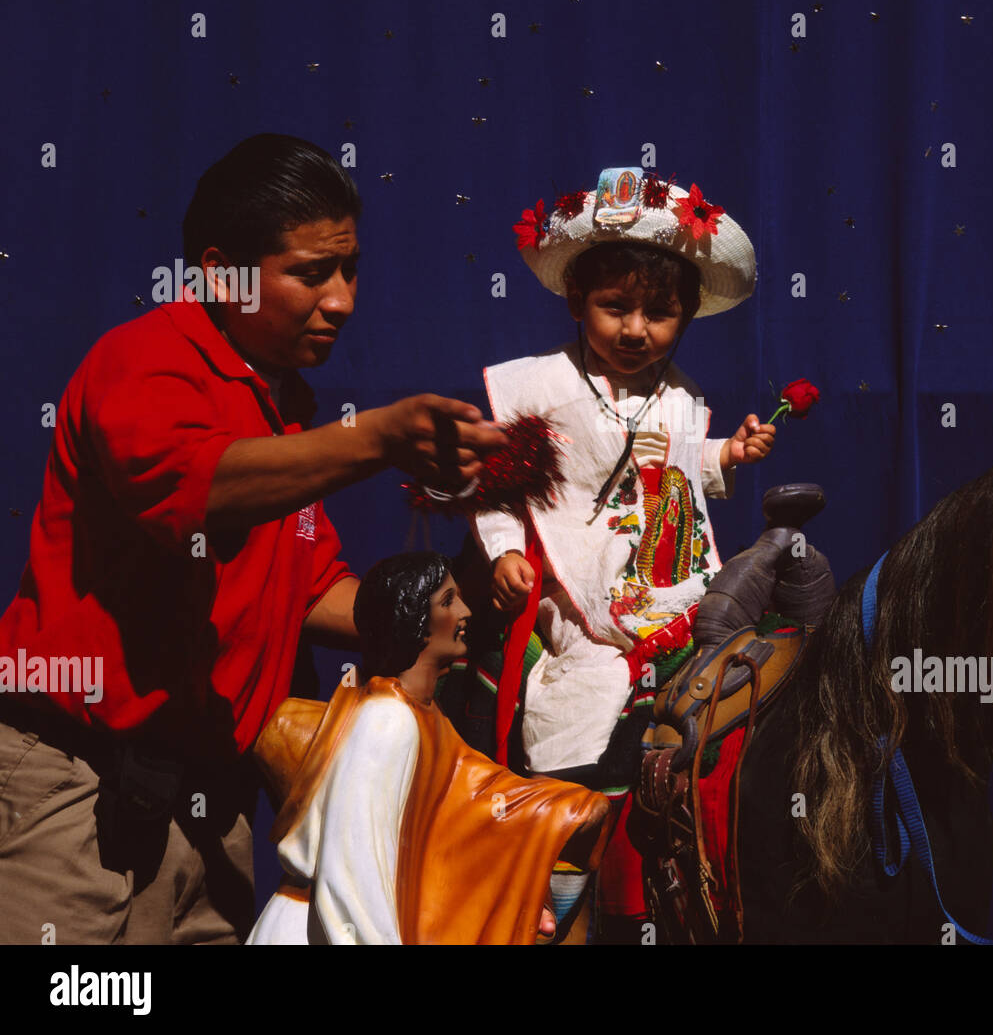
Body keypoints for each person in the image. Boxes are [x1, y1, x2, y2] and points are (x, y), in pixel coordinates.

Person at [0, 133, 506, 944]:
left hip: (211, 819)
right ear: (219, 270)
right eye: (311, 272)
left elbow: (318, 595)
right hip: (73, 793)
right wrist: (376, 438)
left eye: (349, 270)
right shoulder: (144, 360)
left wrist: (474, 585)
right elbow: (191, 491)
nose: (341, 299)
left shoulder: (280, 412)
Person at [466, 166, 772, 932]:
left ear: (688, 313)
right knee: (587, 703)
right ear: (577, 300)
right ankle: (563, 885)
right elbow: (498, 485)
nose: (636, 329)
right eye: (615, 307)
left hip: (669, 590)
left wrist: (722, 457)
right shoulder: (539, 387)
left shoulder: (678, 395)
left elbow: (673, 469)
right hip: (582, 597)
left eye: (660, 313)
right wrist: (505, 550)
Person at [247, 552, 610, 945]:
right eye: (449, 601)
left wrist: (561, 811)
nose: (466, 611)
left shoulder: (421, 713)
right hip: (323, 931)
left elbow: (471, 793)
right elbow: (352, 868)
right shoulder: (388, 720)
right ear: (416, 623)